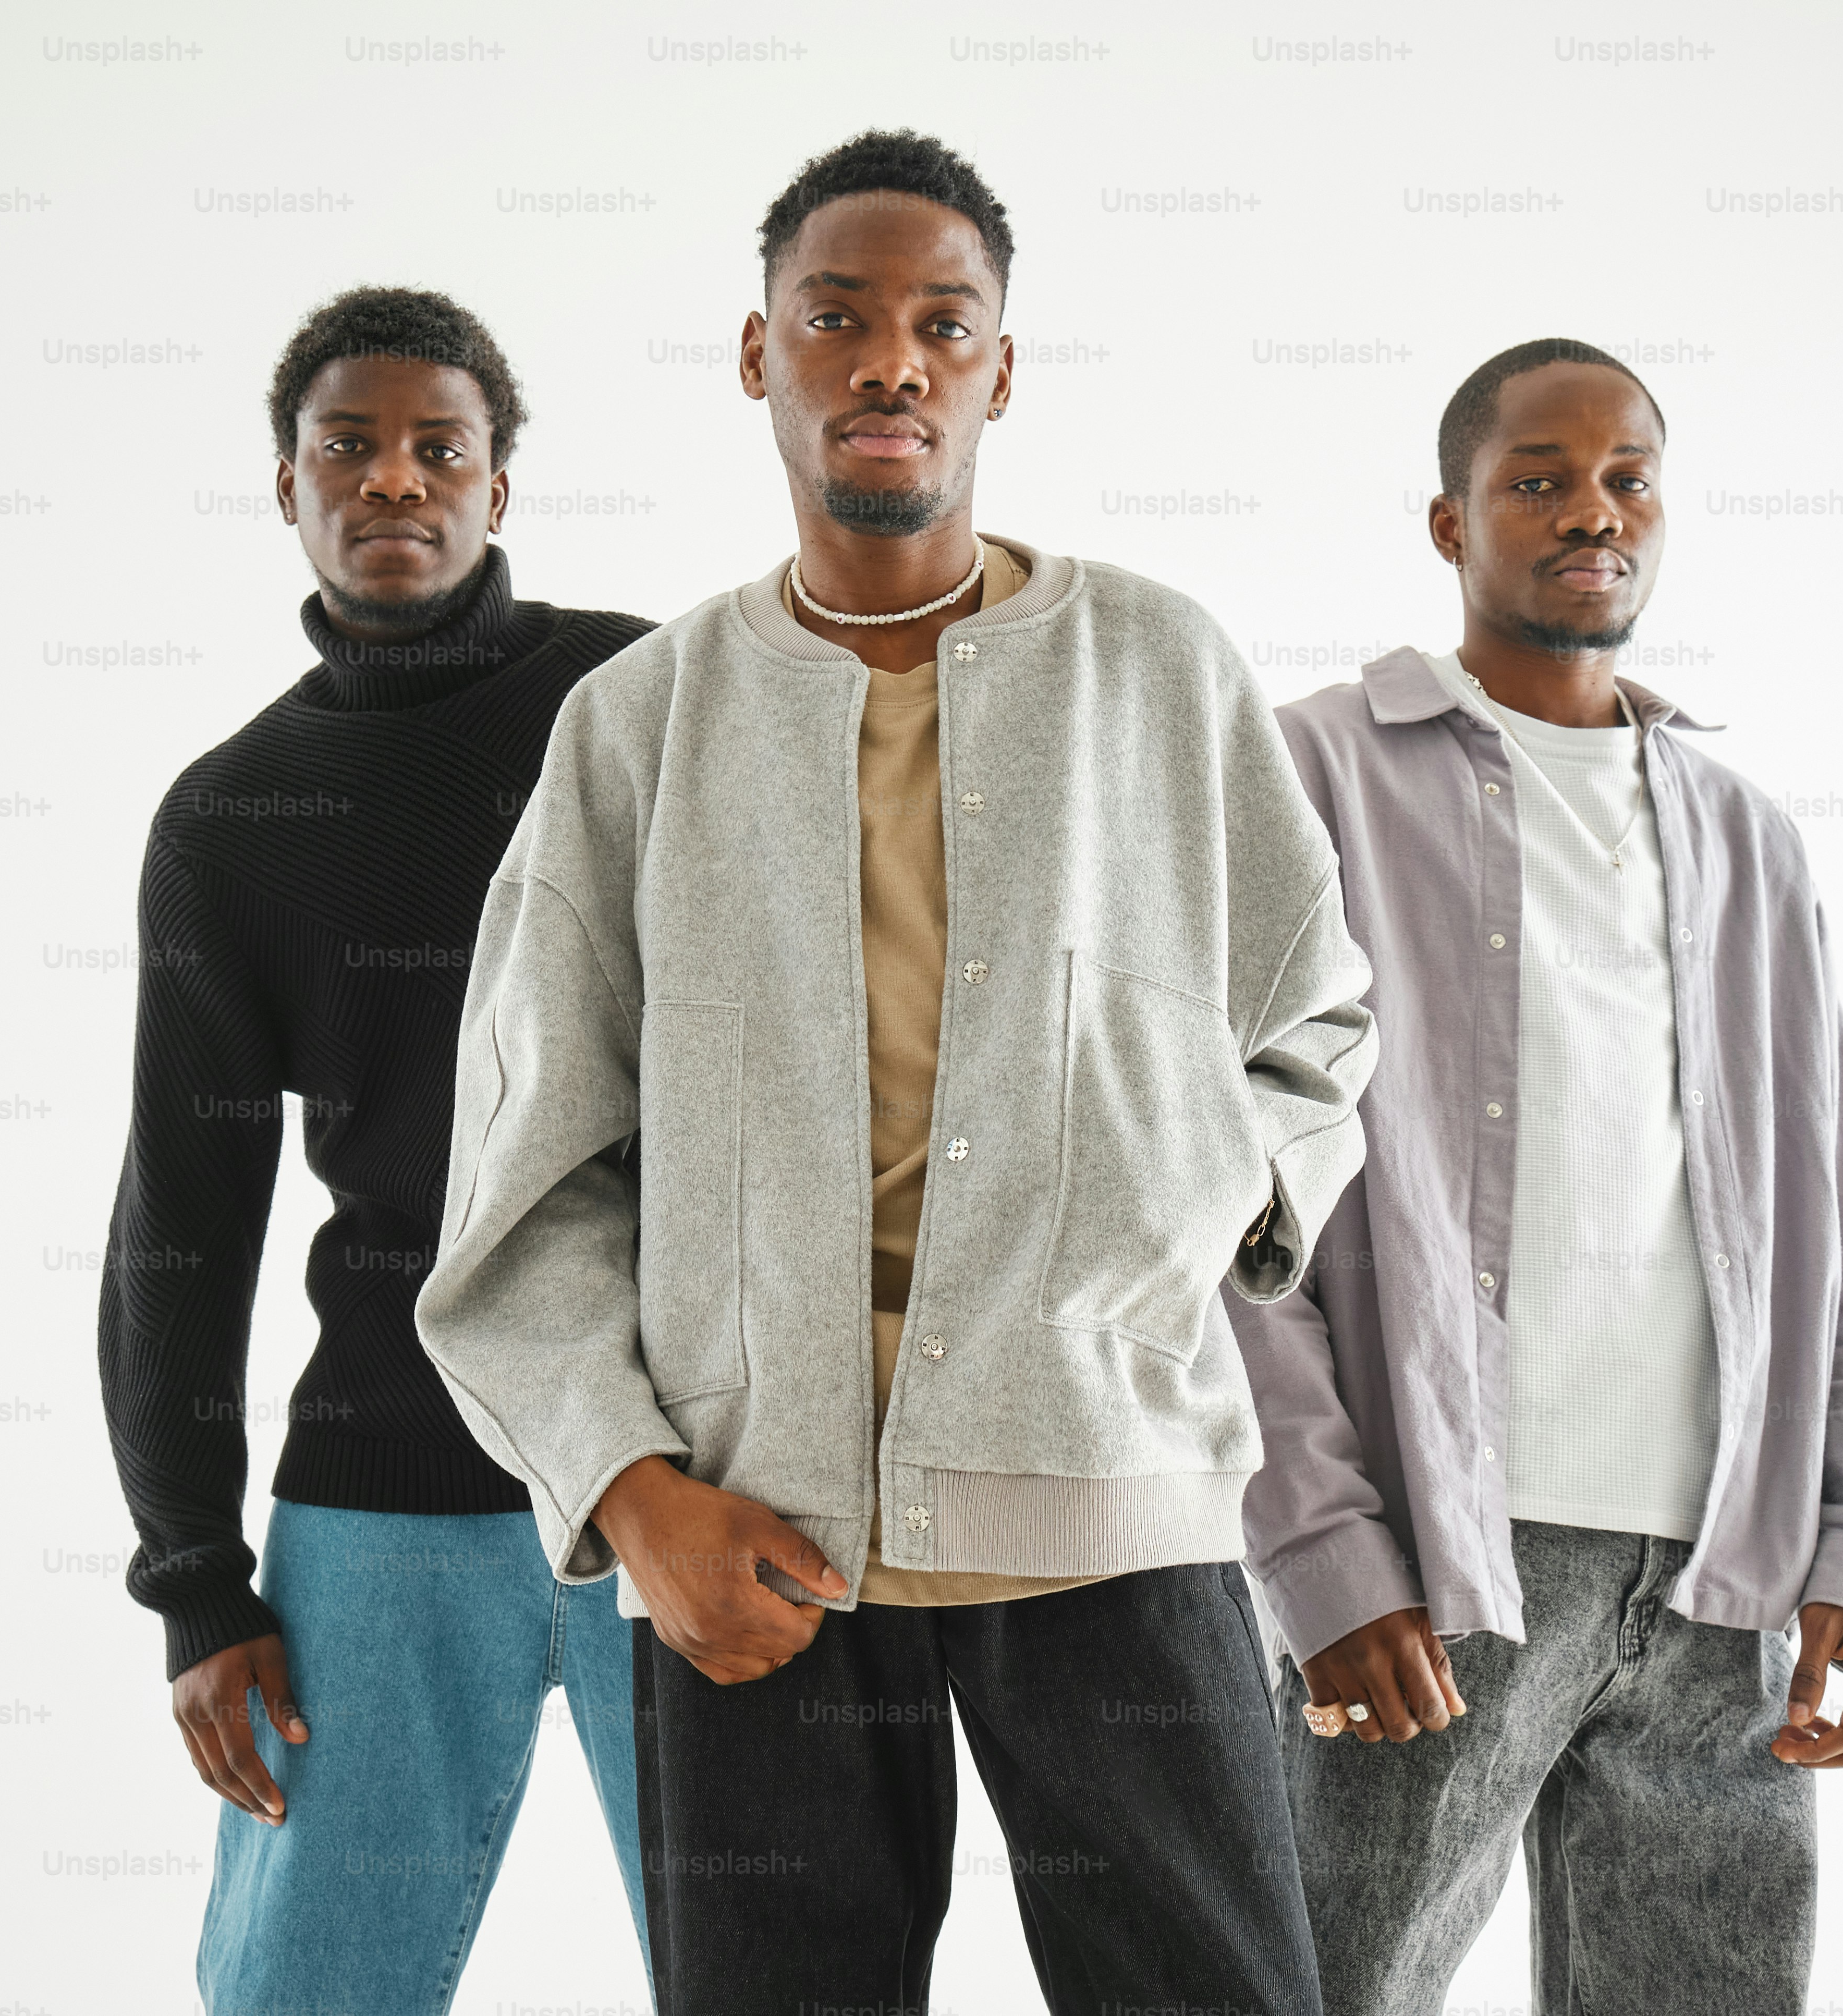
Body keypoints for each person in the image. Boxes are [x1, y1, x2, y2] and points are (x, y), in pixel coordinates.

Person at [413, 130, 1373, 2014]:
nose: (891, 364)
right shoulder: (637, 726)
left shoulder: (1160, 671)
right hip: (753, 1539)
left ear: (1002, 370)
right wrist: (633, 1495)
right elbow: (526, 1175)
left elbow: (1317, 1026)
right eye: (836, 318)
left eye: (944, 325)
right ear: (756, 352)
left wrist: (1185, 1217)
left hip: (1111, 1499)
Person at [1230, 337, 1843, 2014]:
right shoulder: (1310, 770)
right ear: (1450, 521)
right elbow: (1218, 1199)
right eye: (1537, 479)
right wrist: (1321, 1550)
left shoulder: (1745, 831)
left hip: (1723, 1574)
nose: (1591, 512)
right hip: (1440, 1561)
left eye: (1628, 480)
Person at [95, 287, 653, 2013]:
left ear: (499, 483)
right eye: (349, 445)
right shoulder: (230, 818)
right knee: (302, 1993)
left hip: (680, 1472)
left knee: (781, 1975)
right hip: (381, 1497)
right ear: (289, 483)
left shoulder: (640, 698)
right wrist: (197, 1581)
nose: (394, 480)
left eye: (439, 448)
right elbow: (184, 1218)